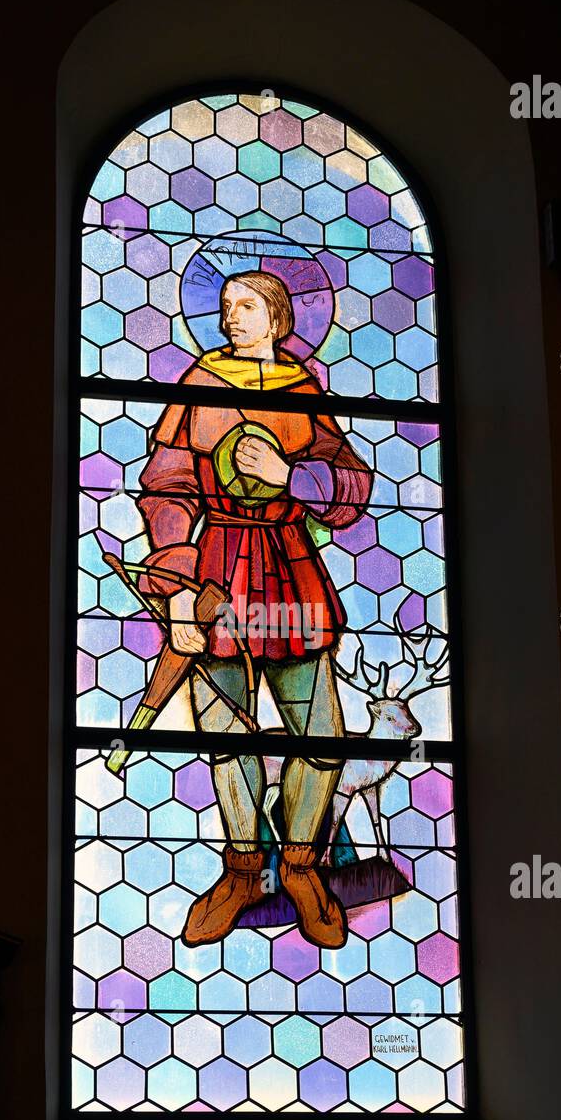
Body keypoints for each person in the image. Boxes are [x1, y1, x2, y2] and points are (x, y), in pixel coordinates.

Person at [136, 271, 372, 948]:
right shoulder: (198, 384)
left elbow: (350, 486)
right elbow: (167, 486)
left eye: (245, 307)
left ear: (278, 318)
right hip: (217, 565)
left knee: (321, 736)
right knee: (225, 734)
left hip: (289, 567)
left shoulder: (302, 390)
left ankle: (300, 865)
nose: (229, 318)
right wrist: (180, 588)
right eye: (224, 307)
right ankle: (241, 870)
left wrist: (292, 478)